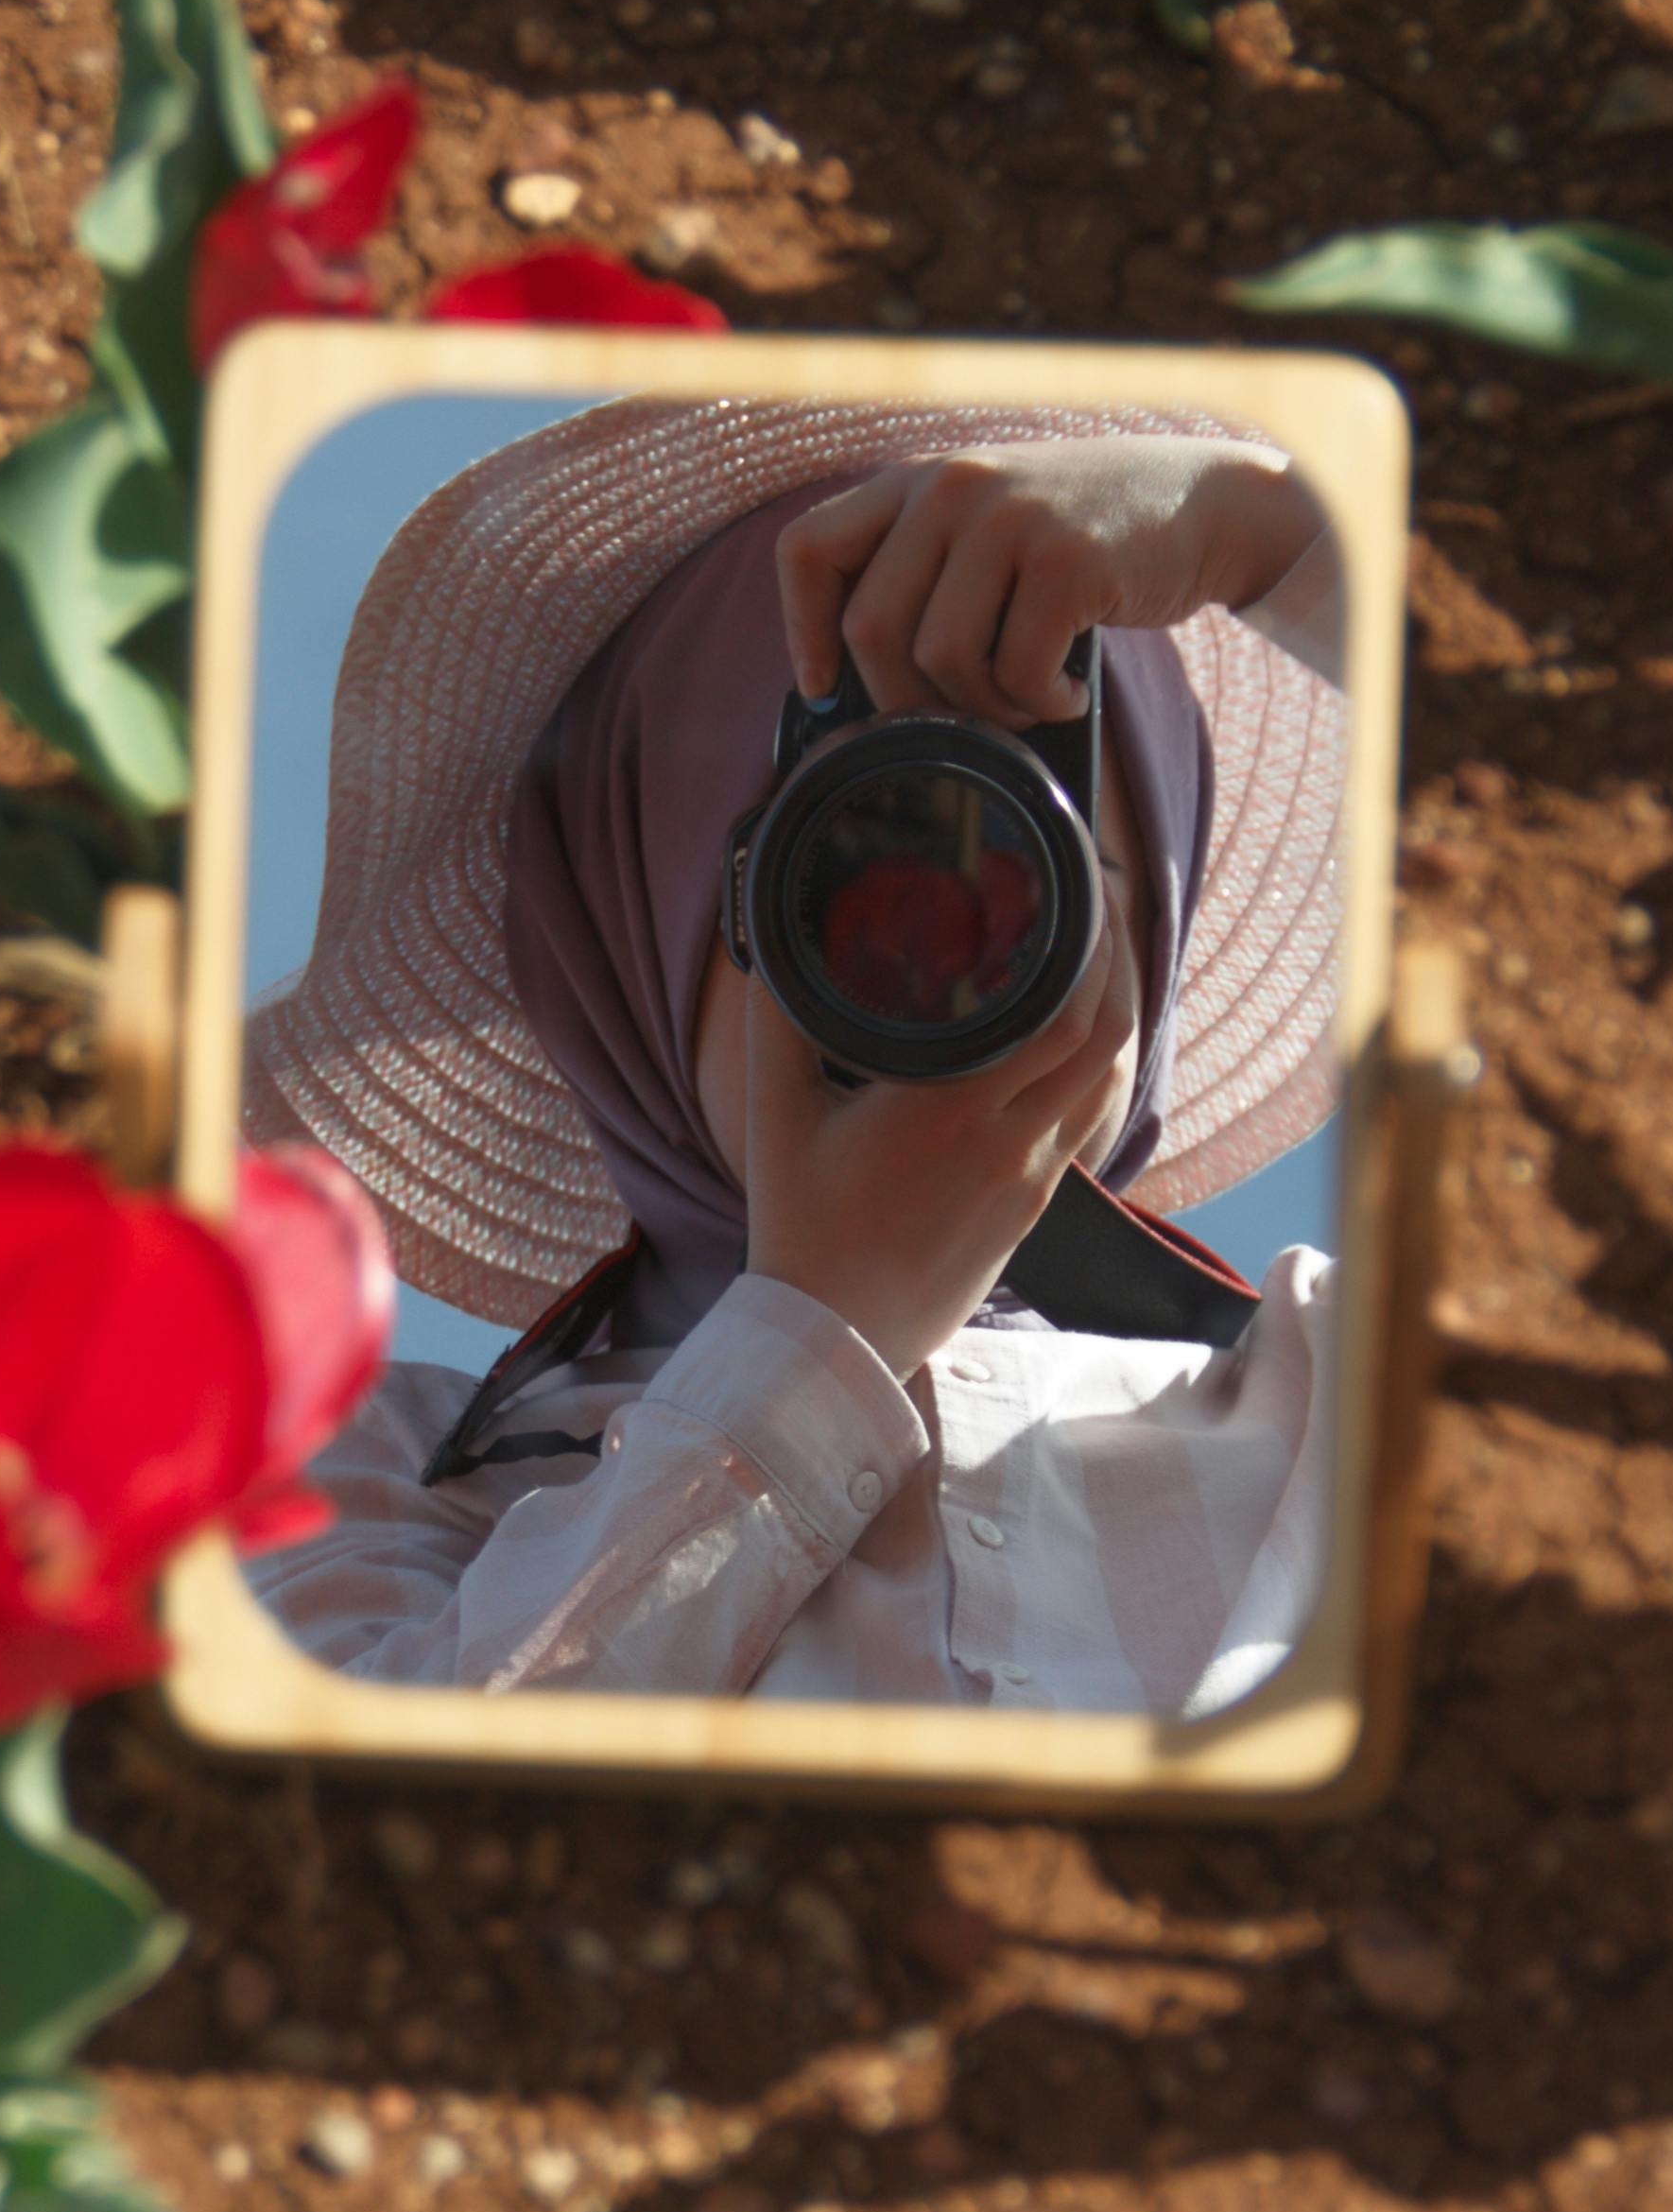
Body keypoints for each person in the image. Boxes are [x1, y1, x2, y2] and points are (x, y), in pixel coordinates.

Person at [237, 396, 1355, 1717]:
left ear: (1152, 966)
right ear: (631, 952)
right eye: (848, 868)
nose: (945, 950)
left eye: (1042, 878)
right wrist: (825, 1327)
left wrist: (1277, 540)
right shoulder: (381, 1471)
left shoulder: (1330, 1386)